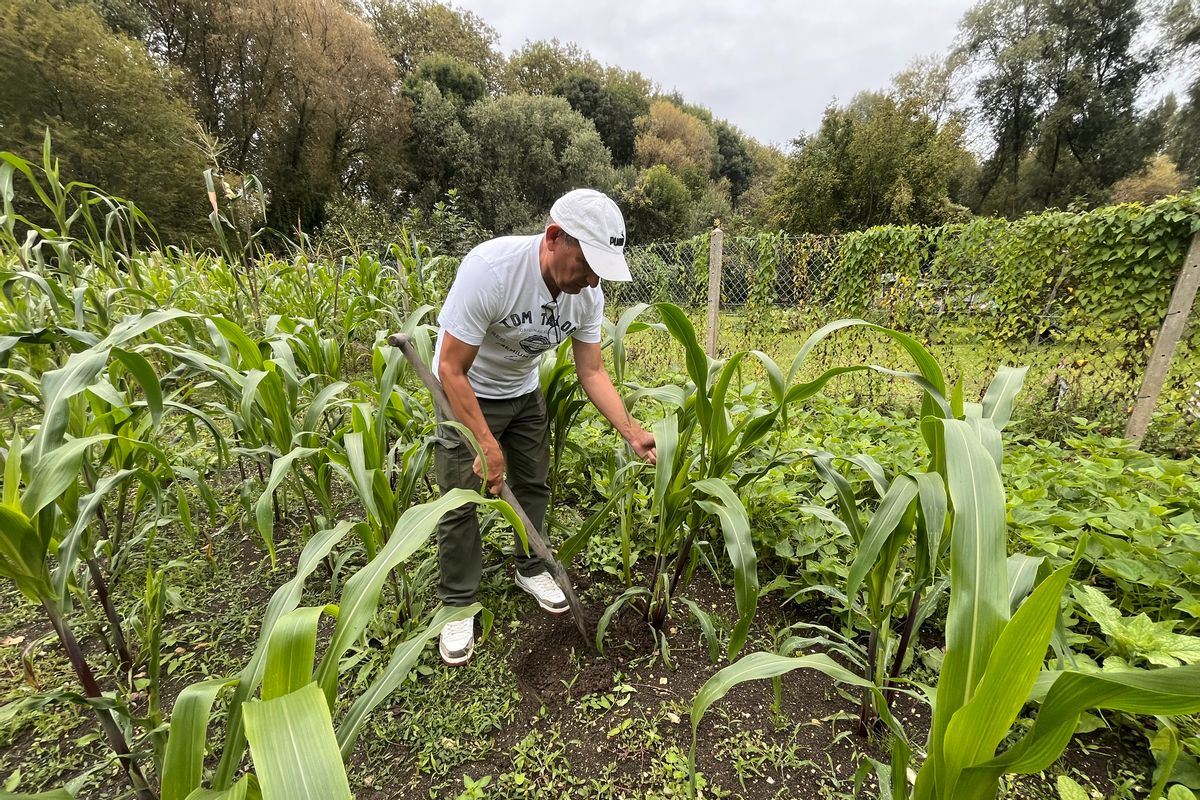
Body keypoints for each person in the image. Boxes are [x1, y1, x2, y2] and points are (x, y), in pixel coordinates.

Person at [431, 188, 657, 665]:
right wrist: (486, 445)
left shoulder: (586, 293)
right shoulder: (491, 271)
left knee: (533, 482)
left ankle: (531, 566)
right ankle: (458, 602)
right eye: (586, 264)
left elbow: (592, 371)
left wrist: (630, 429)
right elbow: (451, 369)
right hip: (468, 390)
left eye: (600, 269)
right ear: (555, 238)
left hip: (523, 391)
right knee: (460, 498)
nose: (593, 278)